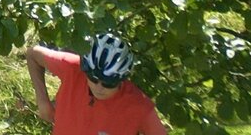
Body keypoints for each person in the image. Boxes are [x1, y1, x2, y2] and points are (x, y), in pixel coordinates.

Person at [27, 33, 168, 134]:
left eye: (109, 83)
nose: (99, 87)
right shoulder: (73, 68)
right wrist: (43, 102)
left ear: (122, 79)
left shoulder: (139, 106)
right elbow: (33, 54)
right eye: (93, 78)